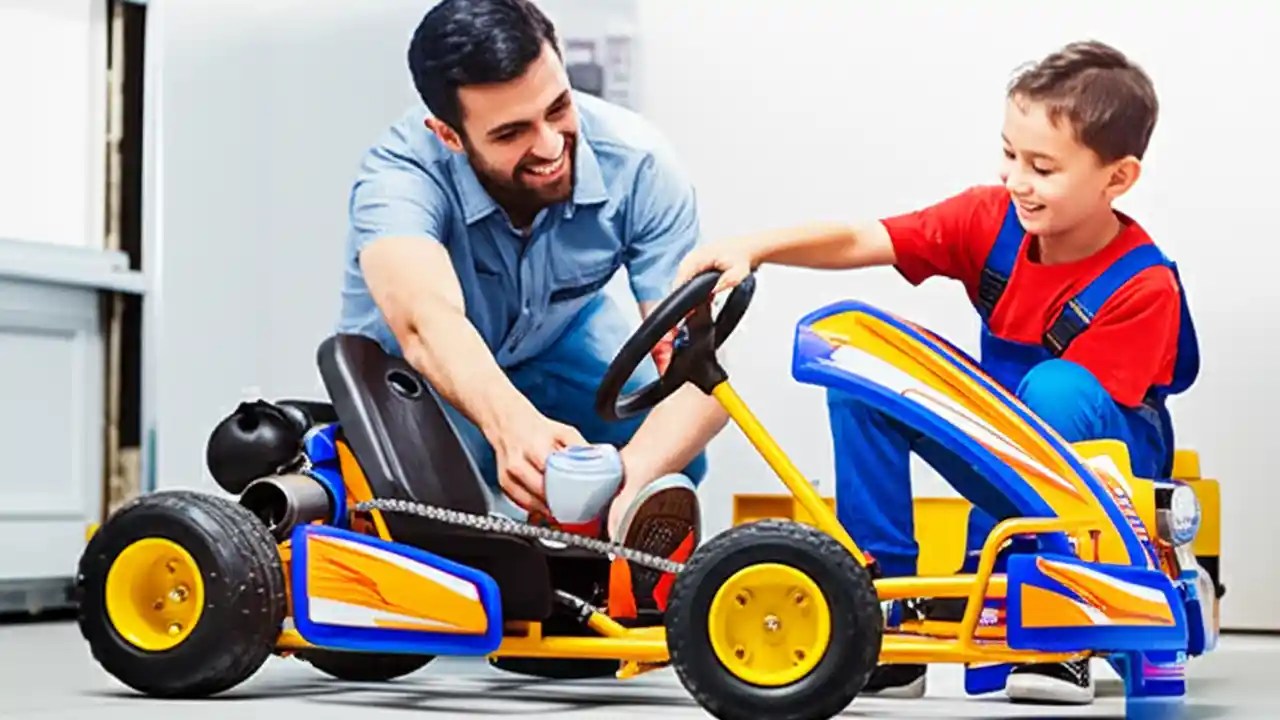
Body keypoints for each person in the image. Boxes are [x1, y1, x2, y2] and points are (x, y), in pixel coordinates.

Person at [673, 40, 1199, 705]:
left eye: (1042, 167)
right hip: (1011, 438)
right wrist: (755, 247)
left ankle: (1060, 628)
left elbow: (1064, 445)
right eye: (1010, 155)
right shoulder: (992, 219)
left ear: (1117, 179)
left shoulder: (1143, 286)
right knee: (862, 375)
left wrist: (988, 557)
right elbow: (866, 238)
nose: (1016, 181)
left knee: (1054, 390)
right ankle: (885, 604)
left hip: (1099, 474)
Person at [336, 0, 727, 616]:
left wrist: (632, 475)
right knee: (440, 524)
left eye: (557, 108)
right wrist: (511, 429)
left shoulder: (641, 166)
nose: (550, 145)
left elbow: (703, 374)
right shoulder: (399, 174)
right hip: (419, 370)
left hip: (559, 335)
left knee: (672, 443)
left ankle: (602, 580)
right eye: (511, 132)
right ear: (449, 134)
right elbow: (424, 320)